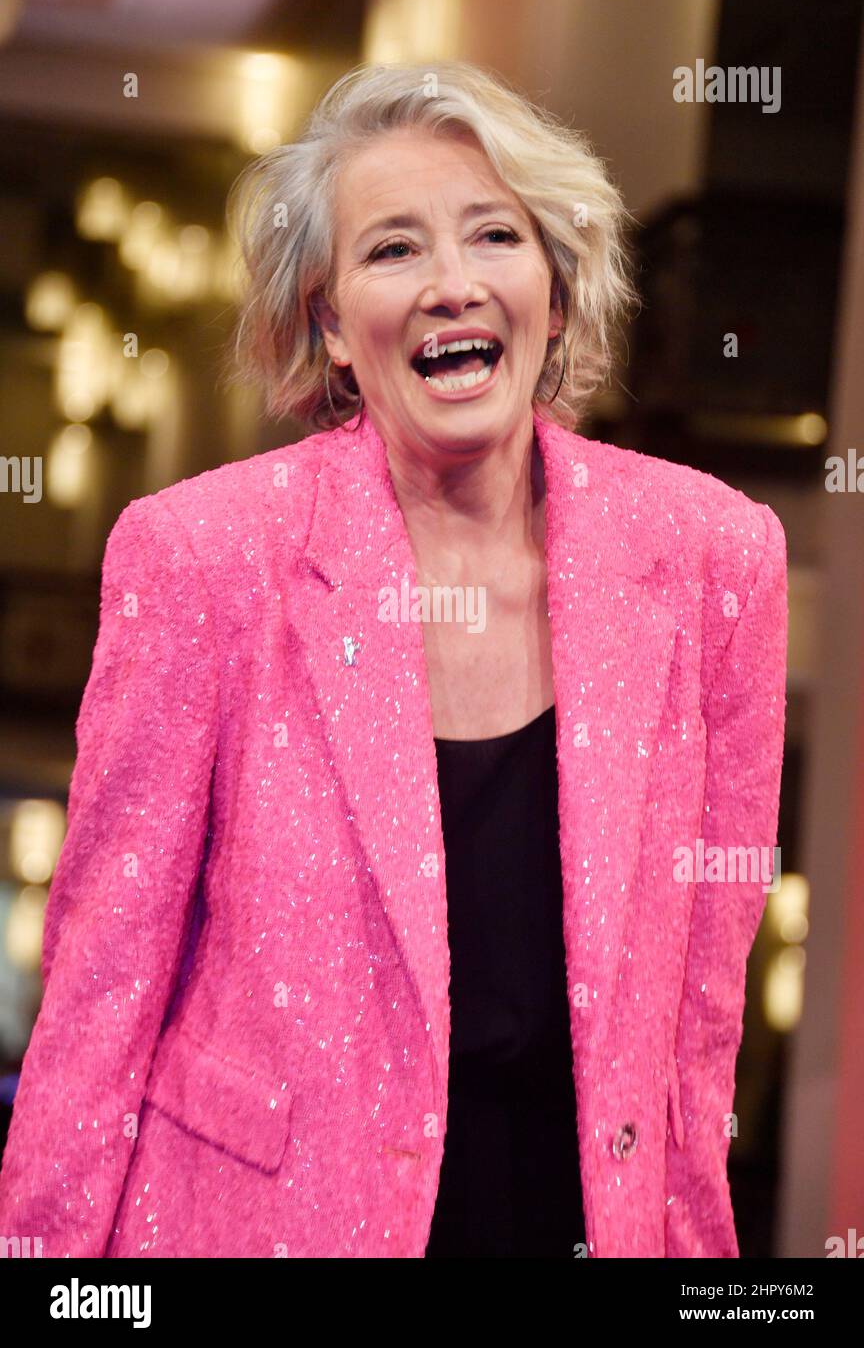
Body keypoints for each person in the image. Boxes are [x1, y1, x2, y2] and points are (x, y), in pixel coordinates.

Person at [0, 61, 787, 1258]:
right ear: (328, 324)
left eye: (493, 235)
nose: (452, 286)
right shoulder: (202, 558)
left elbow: (701, 1017)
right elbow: (101, 995)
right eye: (393, 251)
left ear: (558, 293)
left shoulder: (716, 559)